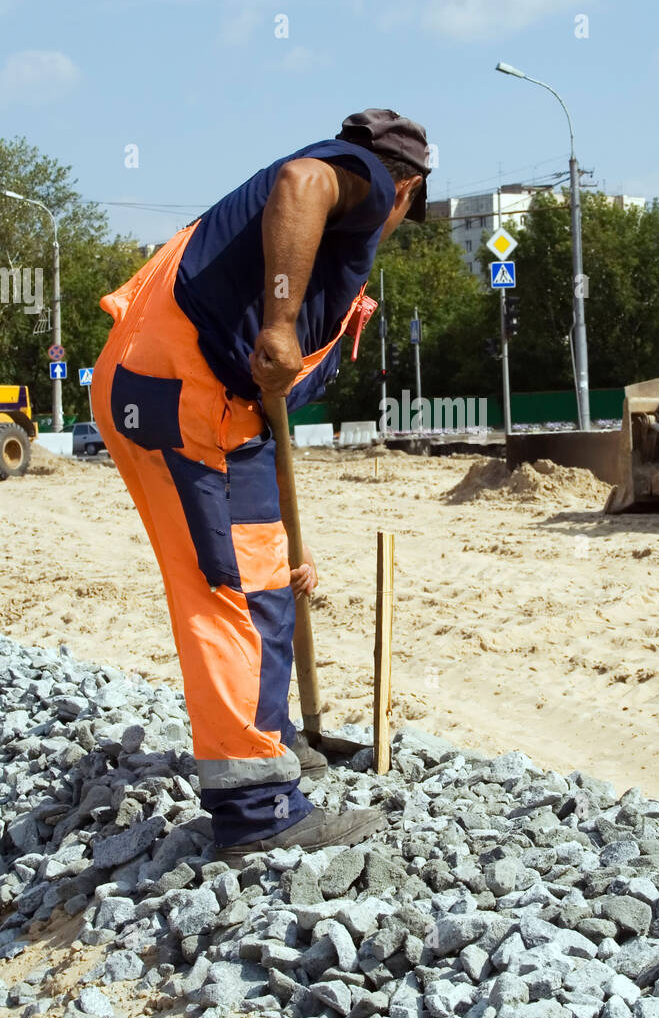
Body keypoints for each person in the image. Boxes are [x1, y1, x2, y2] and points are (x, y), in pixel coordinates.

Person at [92, 109, 430, 861]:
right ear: (407, 189)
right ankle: (257, 810)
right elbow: (303, 182)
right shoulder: (360, 177)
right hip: (184, 395)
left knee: (261, 581)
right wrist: (281, 322)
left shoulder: (273, 230)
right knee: (234, 597)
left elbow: (269, 392)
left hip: (173, 392)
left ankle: (274, 746)